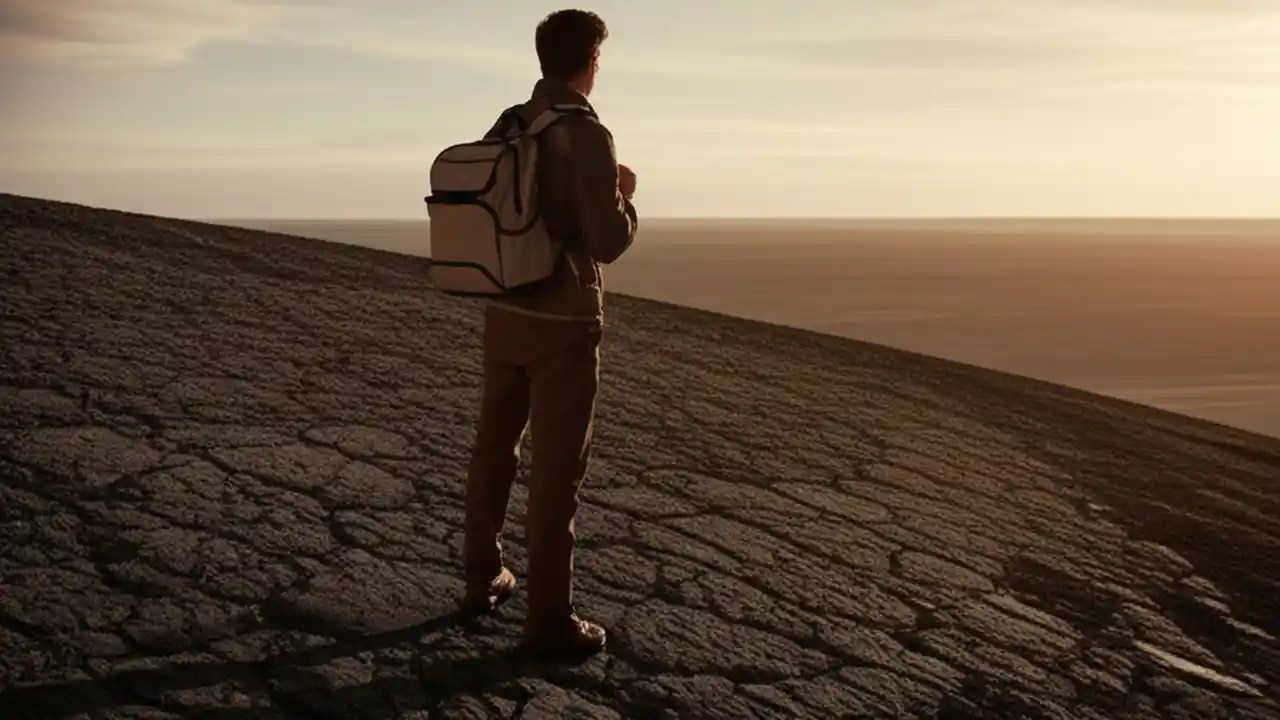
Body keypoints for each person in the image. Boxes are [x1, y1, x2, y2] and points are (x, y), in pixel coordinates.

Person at [459, 9, 638, 657]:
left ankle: (483, 576)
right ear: (591, 60)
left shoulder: (510, 122)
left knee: (494, 448)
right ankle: (549, 620)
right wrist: (627, 196)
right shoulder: (586, 134)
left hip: (505, 311)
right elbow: (608, 240)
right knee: (558, 472)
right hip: (563, 320)